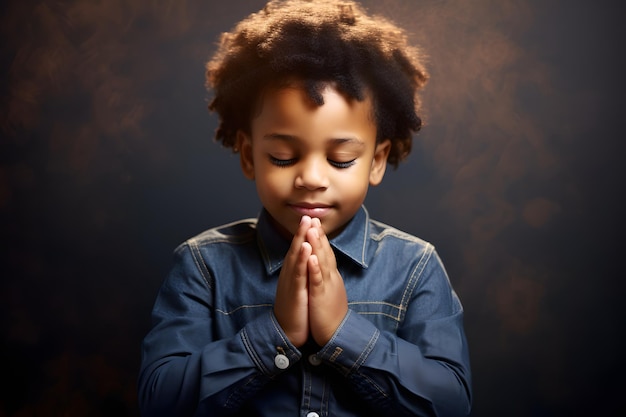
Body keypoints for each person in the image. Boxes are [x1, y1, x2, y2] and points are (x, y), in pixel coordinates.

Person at [138, 0, 472, 416]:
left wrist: (343, 332)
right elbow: (159, 403)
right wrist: (276, 333)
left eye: (341, 159)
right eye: (282, 156)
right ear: (247, 155)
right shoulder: (202, 267)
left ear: (377, 160)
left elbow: (451, 406)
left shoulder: (415, 268)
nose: (311, 177)